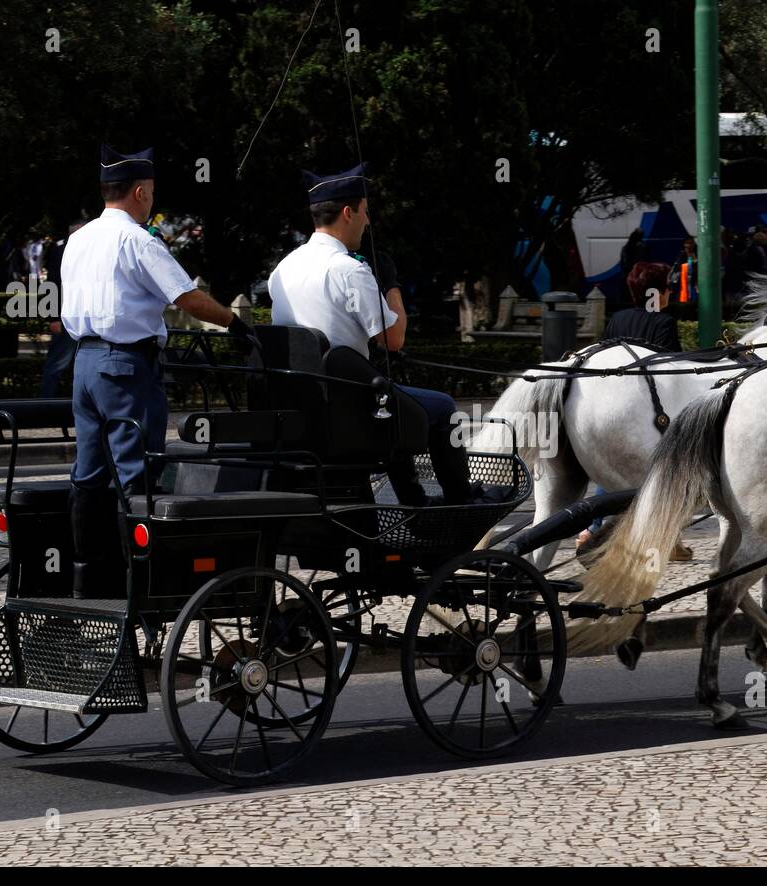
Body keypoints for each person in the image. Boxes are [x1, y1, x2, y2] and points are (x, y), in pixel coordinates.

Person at [60, 145, 252, 598]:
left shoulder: (79, 238)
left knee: (88, 474)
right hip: (125, 367)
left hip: (83, 365)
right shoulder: (138, 240)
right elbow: (186, 296)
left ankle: (87, 577)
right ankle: (143, 584)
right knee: (138, 474)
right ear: (141, 191)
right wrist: (236, 322)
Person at [268, 163, 492, 507]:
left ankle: (415, 501)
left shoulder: (282, 270)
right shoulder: (348, 270)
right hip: (349, 408)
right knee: (443, 407)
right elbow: (393, 339)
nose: (368, 221)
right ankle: (460, 503)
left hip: (303, 407)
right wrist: (391, 284)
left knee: (396, 398)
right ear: (347, 213)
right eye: (365, 212)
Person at [574, 260, 692, 561]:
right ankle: (664, 538)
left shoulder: (619, 319)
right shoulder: (663, 323)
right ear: (658, 293)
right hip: (650, 413)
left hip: (610, 407)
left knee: (610, 466)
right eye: (667, 287)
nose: (668, 292)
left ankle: (592, 527)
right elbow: (672, 371)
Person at [39, 219, 85, 397]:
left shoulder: (83, 251)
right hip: (67, 316)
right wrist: (53, 317)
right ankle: (46, 402)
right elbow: (53, 284)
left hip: (83, 316)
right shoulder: (62, 250)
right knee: (57, 362)